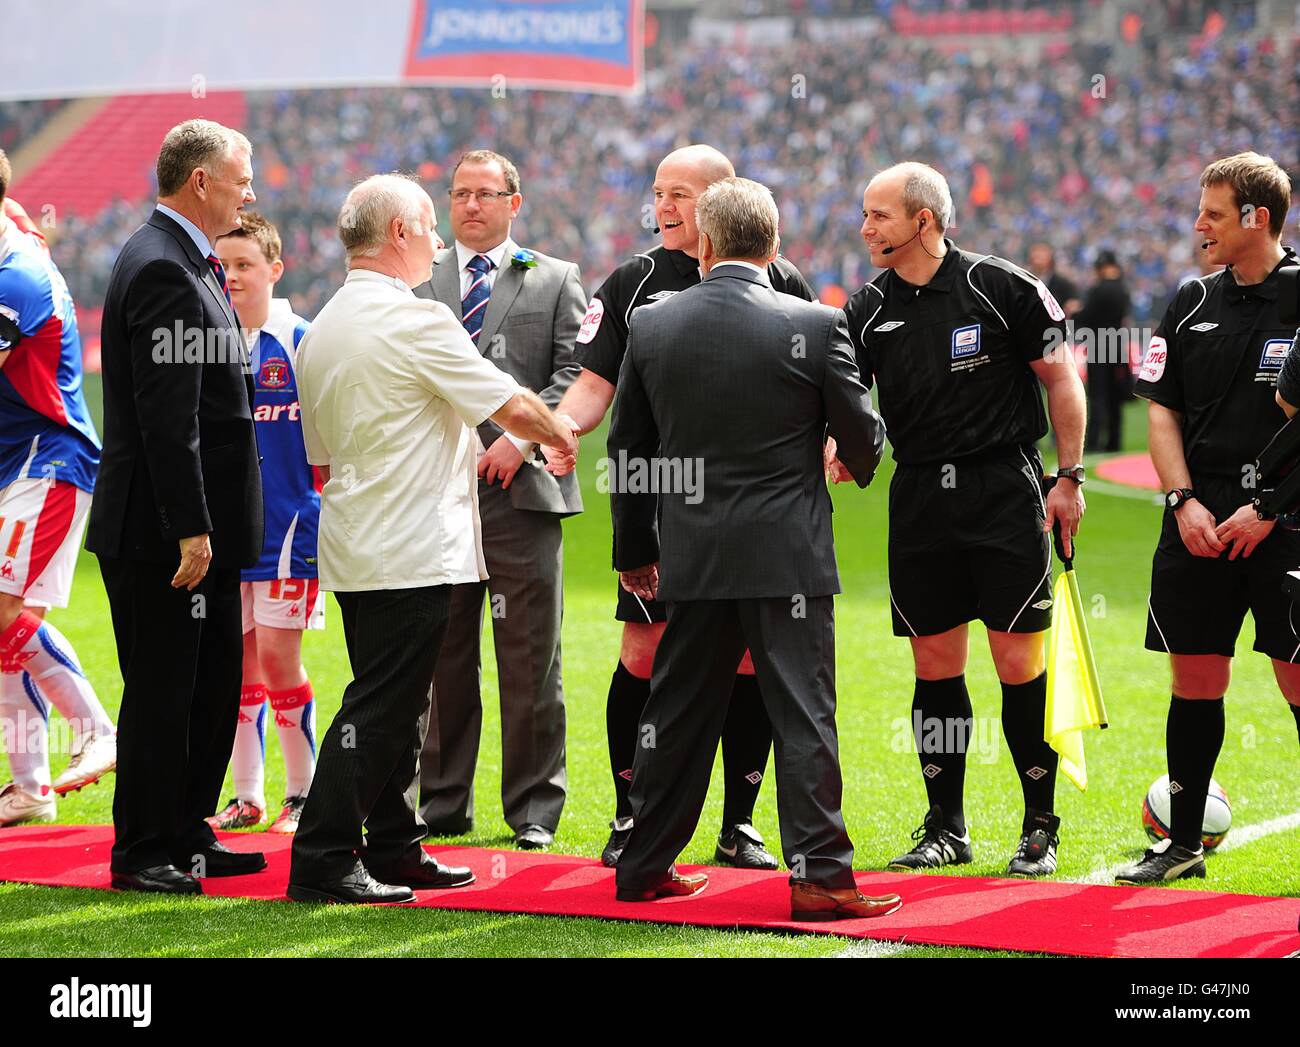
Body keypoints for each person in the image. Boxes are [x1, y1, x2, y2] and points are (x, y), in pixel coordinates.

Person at [607, 176, 899, 920]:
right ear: (775, 244)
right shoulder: (814, 321)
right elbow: (863, 440)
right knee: (803, 715)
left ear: (703, 242)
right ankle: (822, 877)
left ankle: (641, 864)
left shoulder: (651, 325)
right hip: (787, 557)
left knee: (674, 713)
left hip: (692, 554)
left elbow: (628, 448)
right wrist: (851, 458)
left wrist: (636, 550)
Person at [286, 174, 578, 905]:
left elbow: (318, 454)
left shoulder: (321, 328)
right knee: (383, 707)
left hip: (357, 541)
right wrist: (557, 431)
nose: (441, 239)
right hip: (412, 543)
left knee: (399, 699)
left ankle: (393, 842)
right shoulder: (417, 319)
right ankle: (323, 852)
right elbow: (506, 400)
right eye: (429, 225)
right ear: (399, 236)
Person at [554, 144, 818, 871]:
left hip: (752, 510)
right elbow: (594, 384)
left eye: (681, 193)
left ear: (723, 198)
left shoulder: (780, 276)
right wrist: (561, 429)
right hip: (664, 504)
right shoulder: (632, 282)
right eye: (659, 192)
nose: (664, 206)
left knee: (744, 664)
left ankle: (739, 823)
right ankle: (628, 812)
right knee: (642, 655)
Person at [838, 162, 1087, 878]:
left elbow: (1063, 380)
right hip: (917, 497)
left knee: (1018, 664)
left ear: (923, 220)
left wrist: (1067, 478)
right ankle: (945, 825)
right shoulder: (867, 307)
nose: (865, 228)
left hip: (1003, 489)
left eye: (879, 215)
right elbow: (846, 398)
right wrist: (838, 443)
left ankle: (1039, 825)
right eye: (865, 213)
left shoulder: (1001, 287)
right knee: (934, 666)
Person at [86, 119, 266, 894]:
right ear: (201, 181)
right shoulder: (162, 265)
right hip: (166, 530)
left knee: (208, 684)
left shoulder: (184, 259)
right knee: (164, 689)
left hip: (198, 526)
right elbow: (170, 418)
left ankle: (188, 830)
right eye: (241, 177)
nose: (250, 191)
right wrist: (190, 526)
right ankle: (143, 850)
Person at [1119, 151, 1298, 885]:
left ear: (1257, 217)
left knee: (1296, 682)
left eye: (1214, 214)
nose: (1200, 227)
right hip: (1196, 516)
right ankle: (1182, 844)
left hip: (1286, 519)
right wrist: (1181, 500)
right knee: (1194, 682)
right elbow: (1164, 409)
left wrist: (1270, 508)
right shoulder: (1191, 302)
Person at [415, 150, 585, 850]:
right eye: (460, 194)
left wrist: (521, 438)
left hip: (523, 494)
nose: (472, 206)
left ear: (515, 201)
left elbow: (578, 370)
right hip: (440, 496)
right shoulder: (419, 278)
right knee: (443, 656)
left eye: (487, 194)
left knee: (529, 658)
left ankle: (534, 811)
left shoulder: (554, 278)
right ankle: (443, 804)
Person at [0, 159, 117, 826]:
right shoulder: (12, 233)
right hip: (16, 462)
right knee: (4, 628)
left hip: (46, 461)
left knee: (6, 610)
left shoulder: (17, 279)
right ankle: (30, 785)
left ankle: (97, 729)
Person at [209, 211, 320, 835]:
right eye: (222, 267)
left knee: (280, 660)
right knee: (239, 664)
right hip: (231, 534)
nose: (232, 277)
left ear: (275, 269)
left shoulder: (302, 340)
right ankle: (247, 795)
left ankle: (302, 794)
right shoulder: (212, 344)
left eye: (245, 265)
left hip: (288, 531)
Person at [1077, 249, 1133, 453]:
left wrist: (1076, 311)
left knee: (1097, 396)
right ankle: (1114, 442)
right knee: (1115, 397)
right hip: (1116, 345)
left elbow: (1086, 316)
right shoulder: (1123, 289)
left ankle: (1093, 442)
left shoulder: (1098, 289)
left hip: (1098, 346)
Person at [1027, 242, 1082, 319]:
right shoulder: (1024, 281)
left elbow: (1075, 303)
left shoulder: (1062, 283)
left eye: (1041, 253)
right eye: (1034, 253)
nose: (1036, 256)